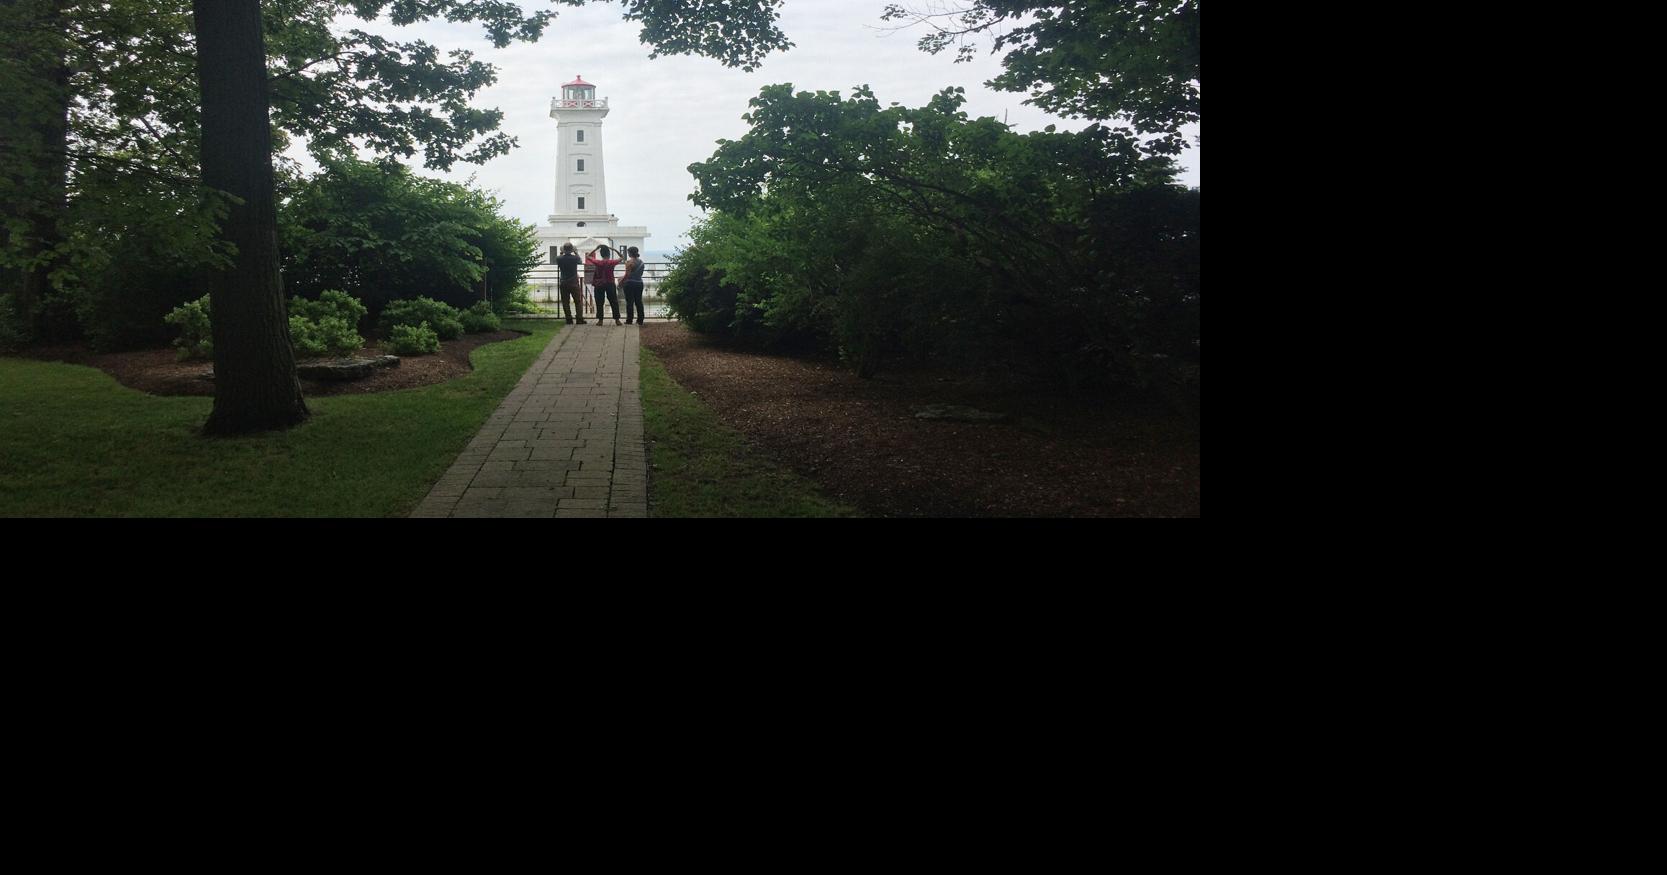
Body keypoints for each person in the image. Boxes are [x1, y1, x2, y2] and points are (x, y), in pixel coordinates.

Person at [586, 245, 622, 325]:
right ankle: (617, 320)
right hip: (610, 283)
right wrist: (614, 249)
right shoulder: (612, 262)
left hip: (599, 284)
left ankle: (600, 320)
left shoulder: (598, 262)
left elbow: (588, 256)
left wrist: (596, 248)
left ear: (601, 254)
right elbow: (622, 257)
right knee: (613, 301)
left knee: (599, 302)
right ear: (609, 254)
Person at [554, 243, 585, 324]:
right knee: (578, 301)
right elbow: (580, 262)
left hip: (563, 282)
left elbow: (558, 259)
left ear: (564, 250)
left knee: (565, 302)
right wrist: (576, 252)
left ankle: (569, 319)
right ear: (572, 250)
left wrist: (561, 252)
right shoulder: (575, 258)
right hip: (574, 282)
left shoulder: (559, 258)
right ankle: (579, 319)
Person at [621, 246, 646, 324]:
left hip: (629, 283)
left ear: (630, 253)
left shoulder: (629, 262)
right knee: (639, 301)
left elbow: (627, 275)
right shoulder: (641, 262)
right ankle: (640, 319)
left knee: (629, 302)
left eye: (628, 252)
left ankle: (629, 320)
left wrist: (621, 281)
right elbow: (640, 274)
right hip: (639, 283)